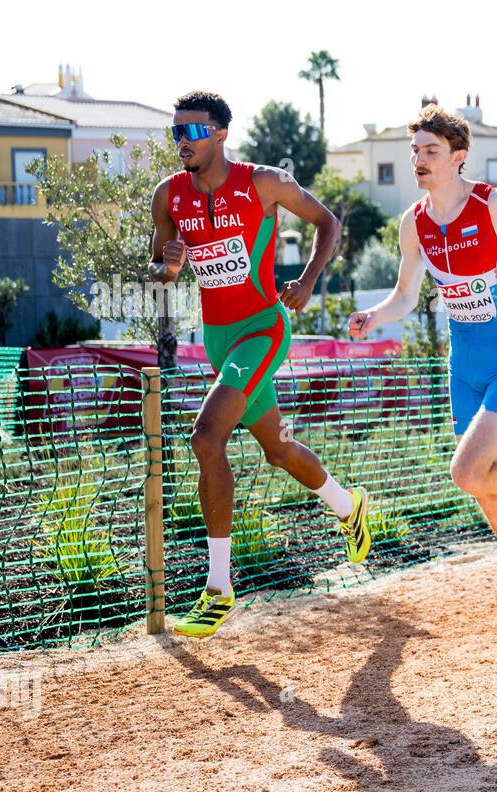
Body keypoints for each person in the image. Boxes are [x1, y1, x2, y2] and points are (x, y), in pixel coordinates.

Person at [149, 91, 370, 639]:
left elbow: (326, 223)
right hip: (219, 339)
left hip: (263, 328)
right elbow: (159, 265)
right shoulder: (167, 195)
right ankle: (350, 505)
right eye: (176, 132)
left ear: (221, 134)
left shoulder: (263, 182)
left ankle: (218, 590)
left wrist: (310, 279)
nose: (183, 141)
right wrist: (166, 265)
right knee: (275, 450)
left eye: (194, 131)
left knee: (206, 438)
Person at [348, 105, 497, 635]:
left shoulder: (496, 204)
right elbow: (405, 295)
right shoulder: (414, 223)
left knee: (469, 471)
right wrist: (374, 316)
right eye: (414, 152)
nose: (419, 161)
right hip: (463, 365)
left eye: (431, 151)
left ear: (458, 157)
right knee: (482, 487)